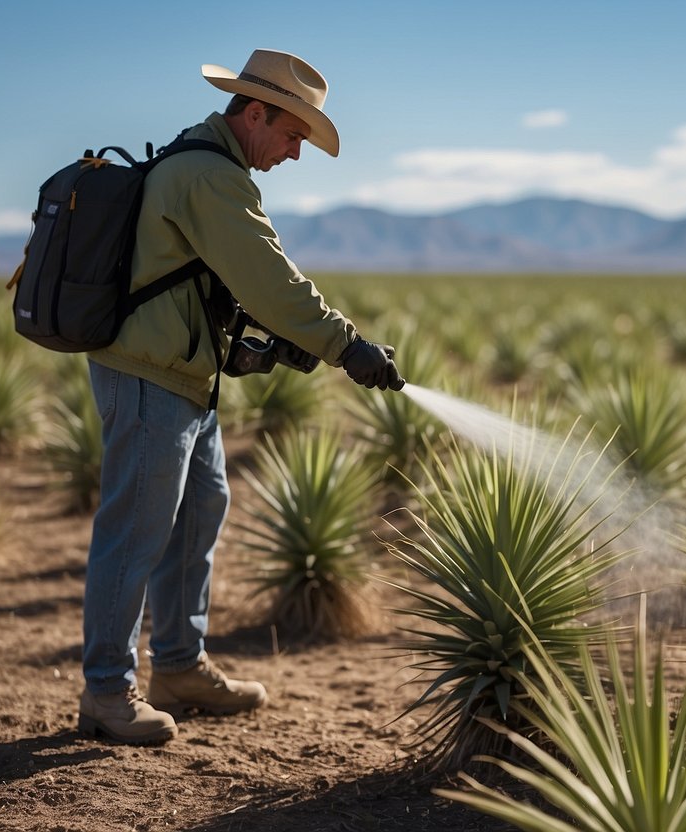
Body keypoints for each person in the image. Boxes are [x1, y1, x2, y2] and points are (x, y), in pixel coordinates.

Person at [76, 48, 404, 745]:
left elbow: (204, 285)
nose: (293, 153)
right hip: (148, 377)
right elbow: (269, 279)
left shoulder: (205, 167)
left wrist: (259, 347)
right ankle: (106, 693)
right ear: (253, 113)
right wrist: (344, 346)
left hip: (183, 377)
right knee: (134, 535)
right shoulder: (208, 176)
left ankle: (179, 668)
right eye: (291, 135)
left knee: (197, 518)